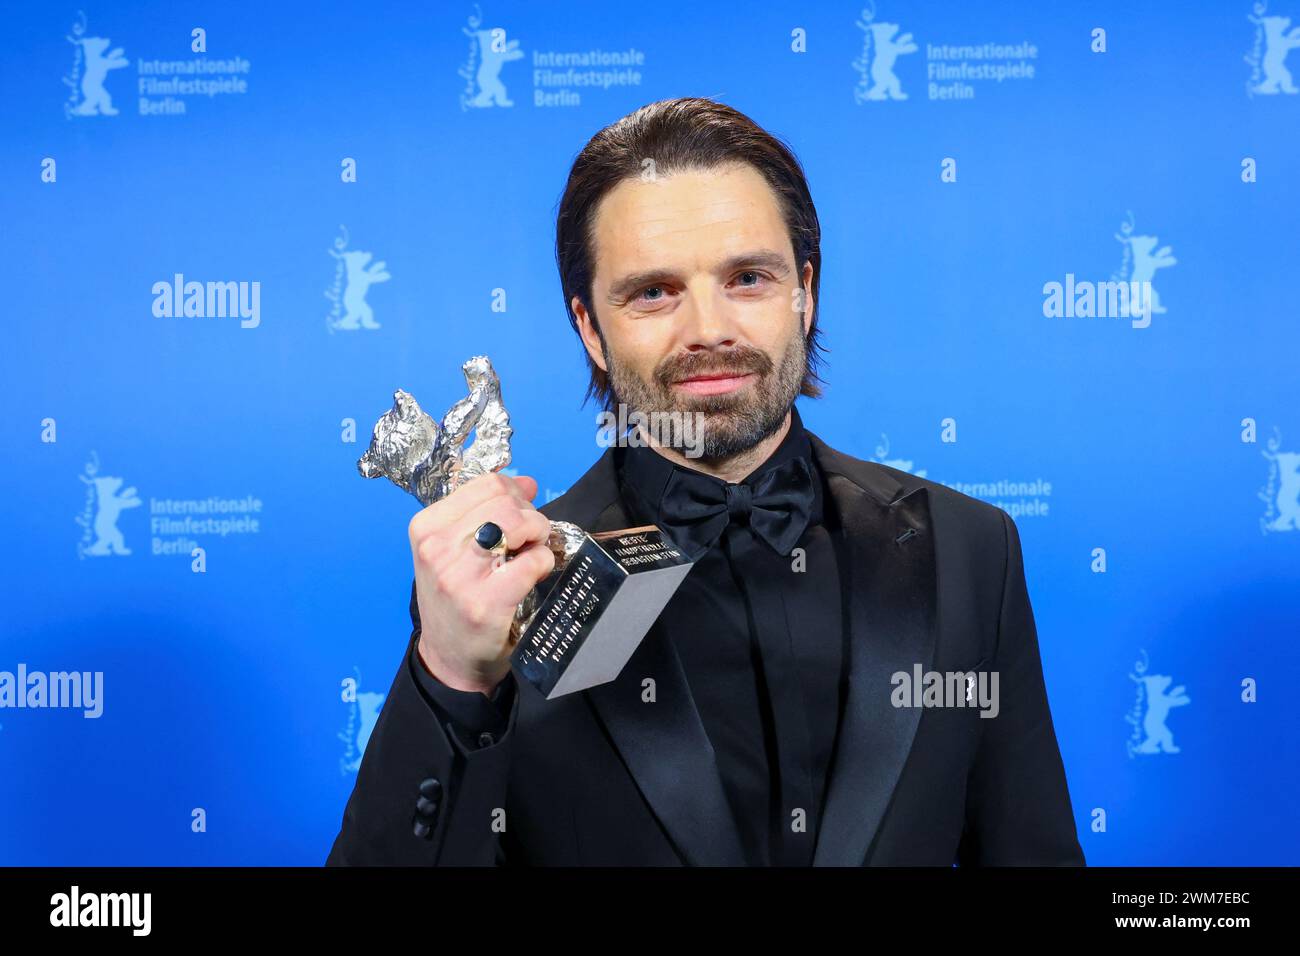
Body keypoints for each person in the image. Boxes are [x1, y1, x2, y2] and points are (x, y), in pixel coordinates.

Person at [326, 97, 1085, 866]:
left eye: (748, 278)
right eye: (653, 292)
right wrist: (451, 677)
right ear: (590, 327)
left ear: (806, 291)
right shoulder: (505, 586)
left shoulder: (970, 550)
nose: (709, 331)